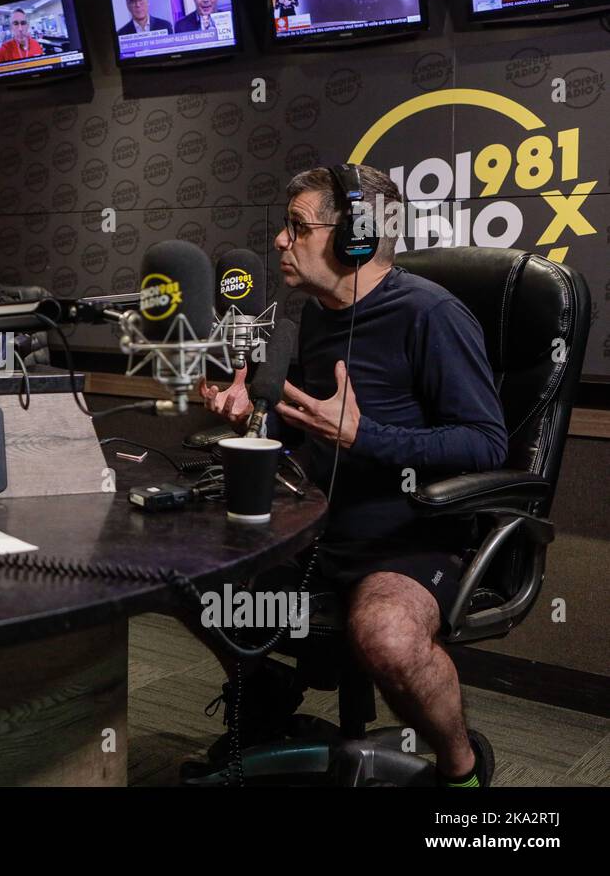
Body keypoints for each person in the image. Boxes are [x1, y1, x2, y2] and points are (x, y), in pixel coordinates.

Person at [195, 164, 508, 787]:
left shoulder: (431, 314)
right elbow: (296, 429)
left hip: (411, 539)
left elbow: (486, 442)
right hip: (314, 534)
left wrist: (365, 434)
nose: (281, 242)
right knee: (183, 576)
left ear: (357, 236)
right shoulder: (304, 317)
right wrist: (249, 415)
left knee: (387, 637)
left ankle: (461, 766)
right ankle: (264, 685)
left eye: (297, 228)